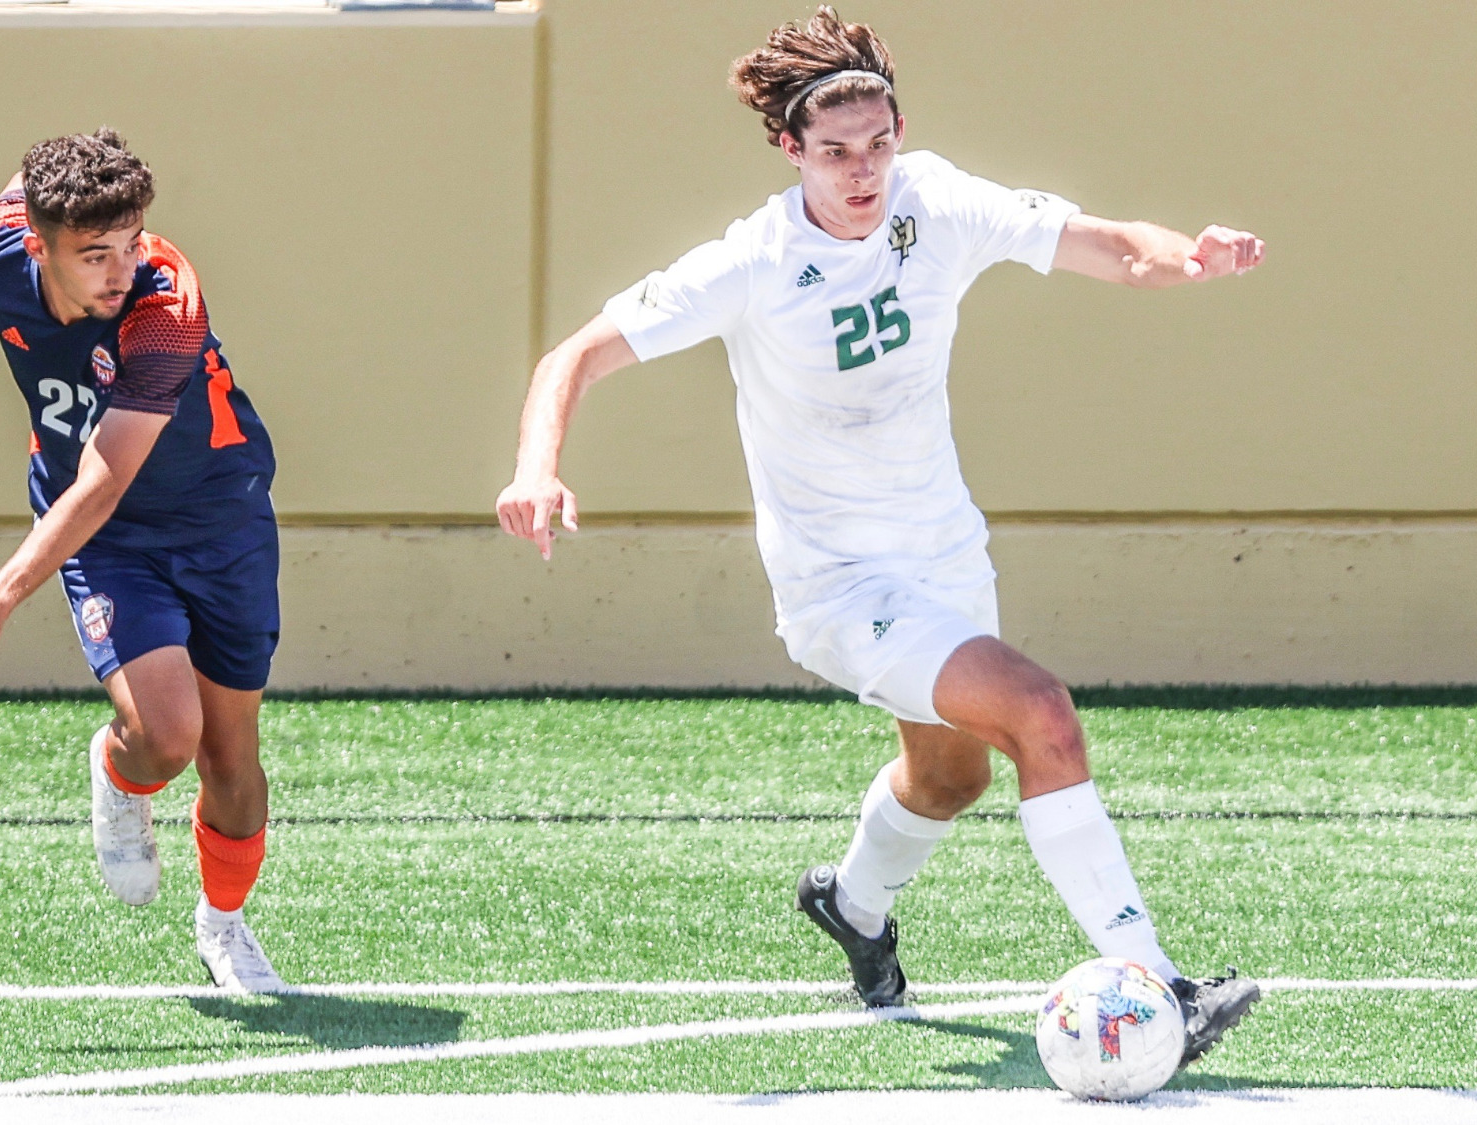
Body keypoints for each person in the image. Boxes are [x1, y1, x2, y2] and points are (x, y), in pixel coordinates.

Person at [495, 7, 1265, 1064]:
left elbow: (1116, 248)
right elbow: (573, 356)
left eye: (878, 144)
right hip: (840, 587)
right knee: (1039, 711)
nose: (862, 171)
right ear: (789, 149)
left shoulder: (937, 202)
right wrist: (535, 468)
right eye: (835, 152)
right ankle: (1160, 985)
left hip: (944, 555)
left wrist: (1192, 259)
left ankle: (850, 905)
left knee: (951, 777)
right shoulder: (752, 262)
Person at [0, 129, 283, 993]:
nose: (121, 270)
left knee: (231, 758)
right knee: (167, 737)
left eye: (130, 242)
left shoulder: (164, 302)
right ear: (36, 243)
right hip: (108, 538)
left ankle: (224, 924)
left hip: (219, 518)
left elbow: (109, 474)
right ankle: (120, 773)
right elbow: (95, 500)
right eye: (94, 254)